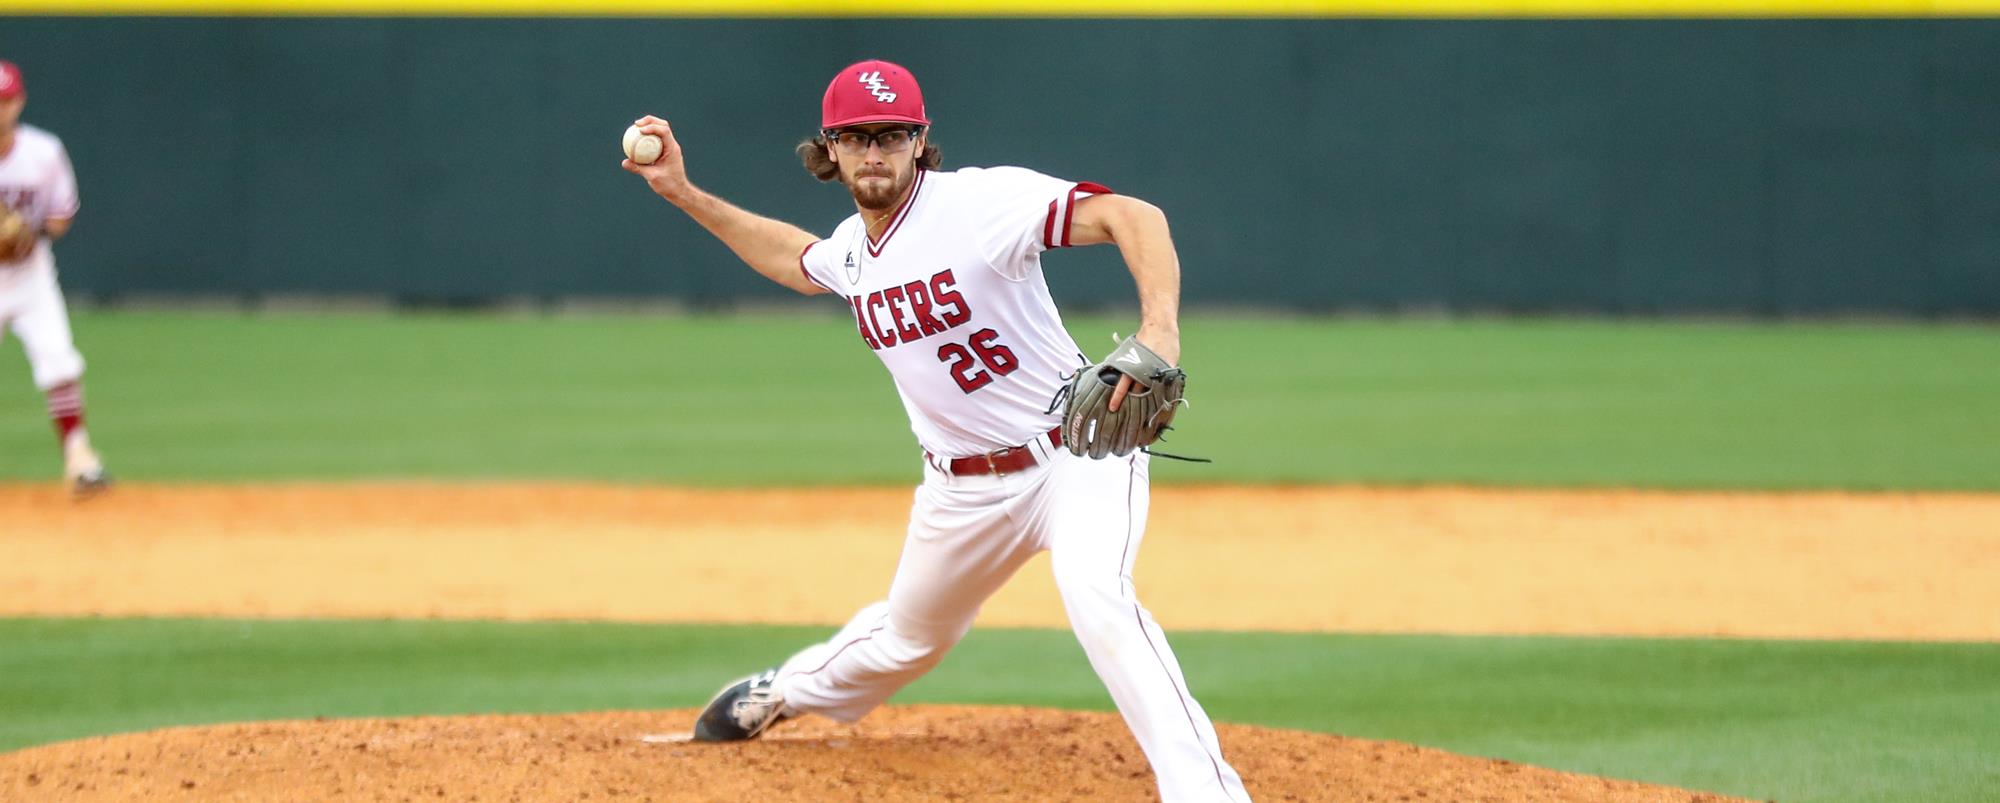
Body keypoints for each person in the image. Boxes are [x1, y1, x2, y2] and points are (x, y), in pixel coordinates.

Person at [623, 59, 1250, 802]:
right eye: (857, 138)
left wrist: (1160, 332)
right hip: (959, 489)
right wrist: (684, 194)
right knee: (907, 639)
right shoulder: (855, 252)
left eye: (892, 135)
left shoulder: (981, 203)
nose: (875, 152)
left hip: (1076, 451)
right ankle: (786, 689)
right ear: (830, 150)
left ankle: (1209, 793)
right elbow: (796, 262)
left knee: (1096, 593)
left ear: (921, 141)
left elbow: (1134, 216)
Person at [0, 60, 109, 498]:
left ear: (20, 102)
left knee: (58, 360)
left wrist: (31, 234)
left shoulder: (44, 152)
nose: (0, 110)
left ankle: (80, 458)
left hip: (30, 277)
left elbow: (61, 216)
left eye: (6, 101)